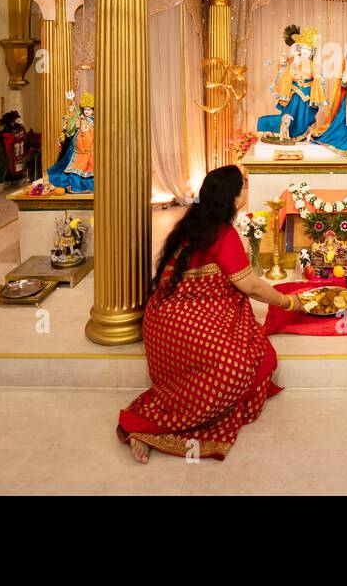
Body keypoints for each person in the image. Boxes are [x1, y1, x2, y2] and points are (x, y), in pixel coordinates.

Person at [117, 165, 305, 462]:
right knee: (247, 363)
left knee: (257, 354)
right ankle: (150, 426)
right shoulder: (222, 232)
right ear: (231, 198)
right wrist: (288, 302)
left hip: (162, 324)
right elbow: (251, 286)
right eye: (242, 186)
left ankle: (165, 420)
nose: (246, 190)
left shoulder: (194, 222)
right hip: (183, 324)